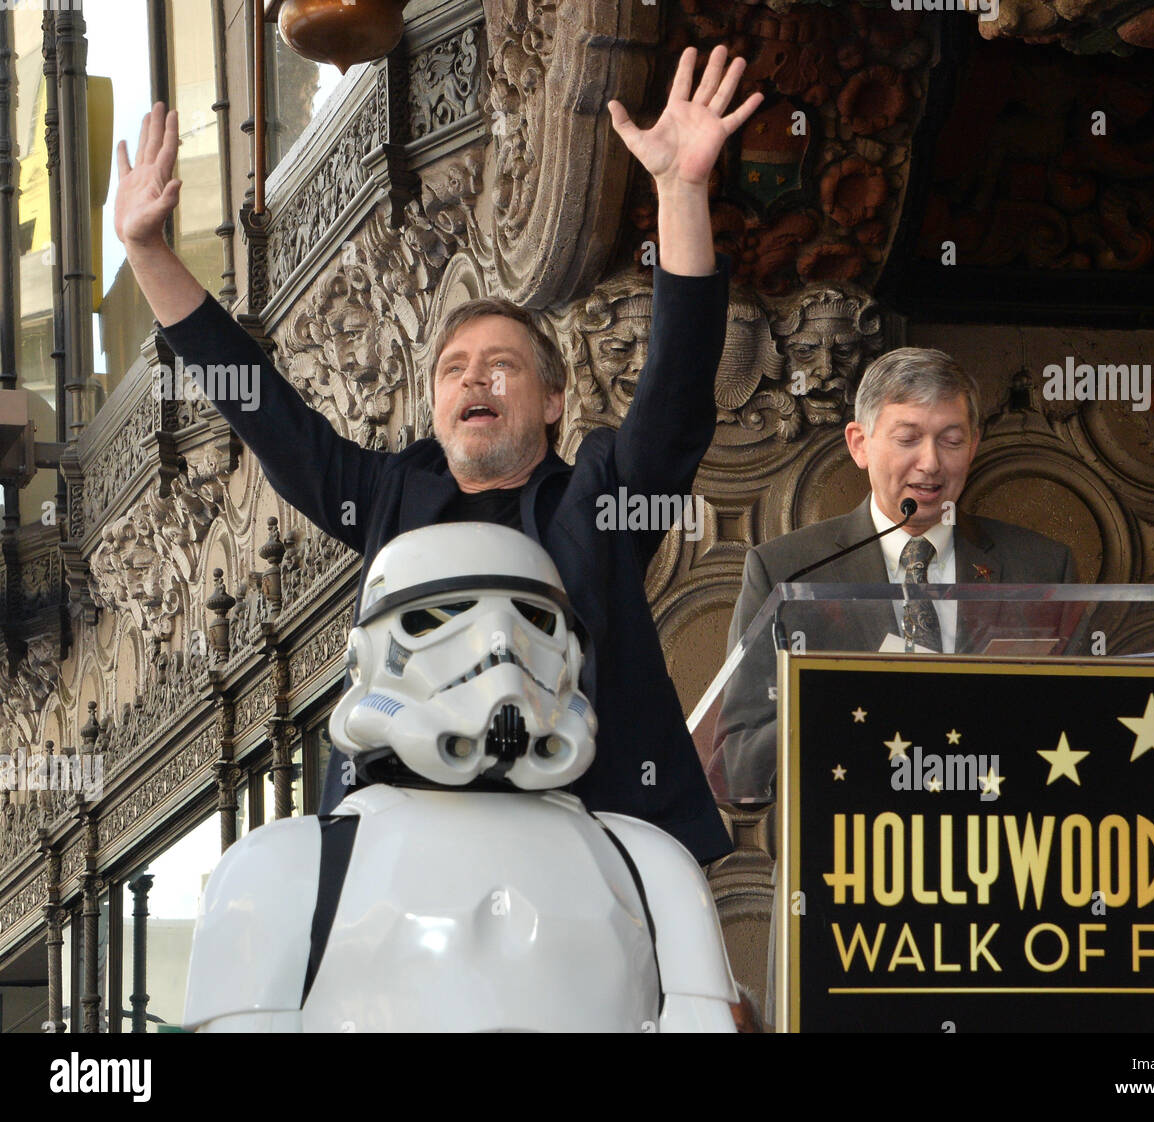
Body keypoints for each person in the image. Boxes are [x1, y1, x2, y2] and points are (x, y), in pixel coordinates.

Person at [114, 45, 763, 864]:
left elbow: (673, 397)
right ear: (435, 405)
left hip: (589, 848)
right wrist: (147, 253)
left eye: (503, 365)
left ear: (554, 400)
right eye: (454, 370)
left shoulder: (601, 496)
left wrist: (680, 191)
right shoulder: (389, 495)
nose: (475, 379)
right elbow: (264, 411)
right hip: (403, 856)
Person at [713, 347, 1079, 800]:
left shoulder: (1041, 568)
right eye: (908, 439)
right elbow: (738, 764)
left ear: (975, 444)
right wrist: (836, 705)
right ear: (859, 444)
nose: (930, 463)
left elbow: (1080, 731)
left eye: (951, 440)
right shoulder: (786, 573)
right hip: (841, 854)